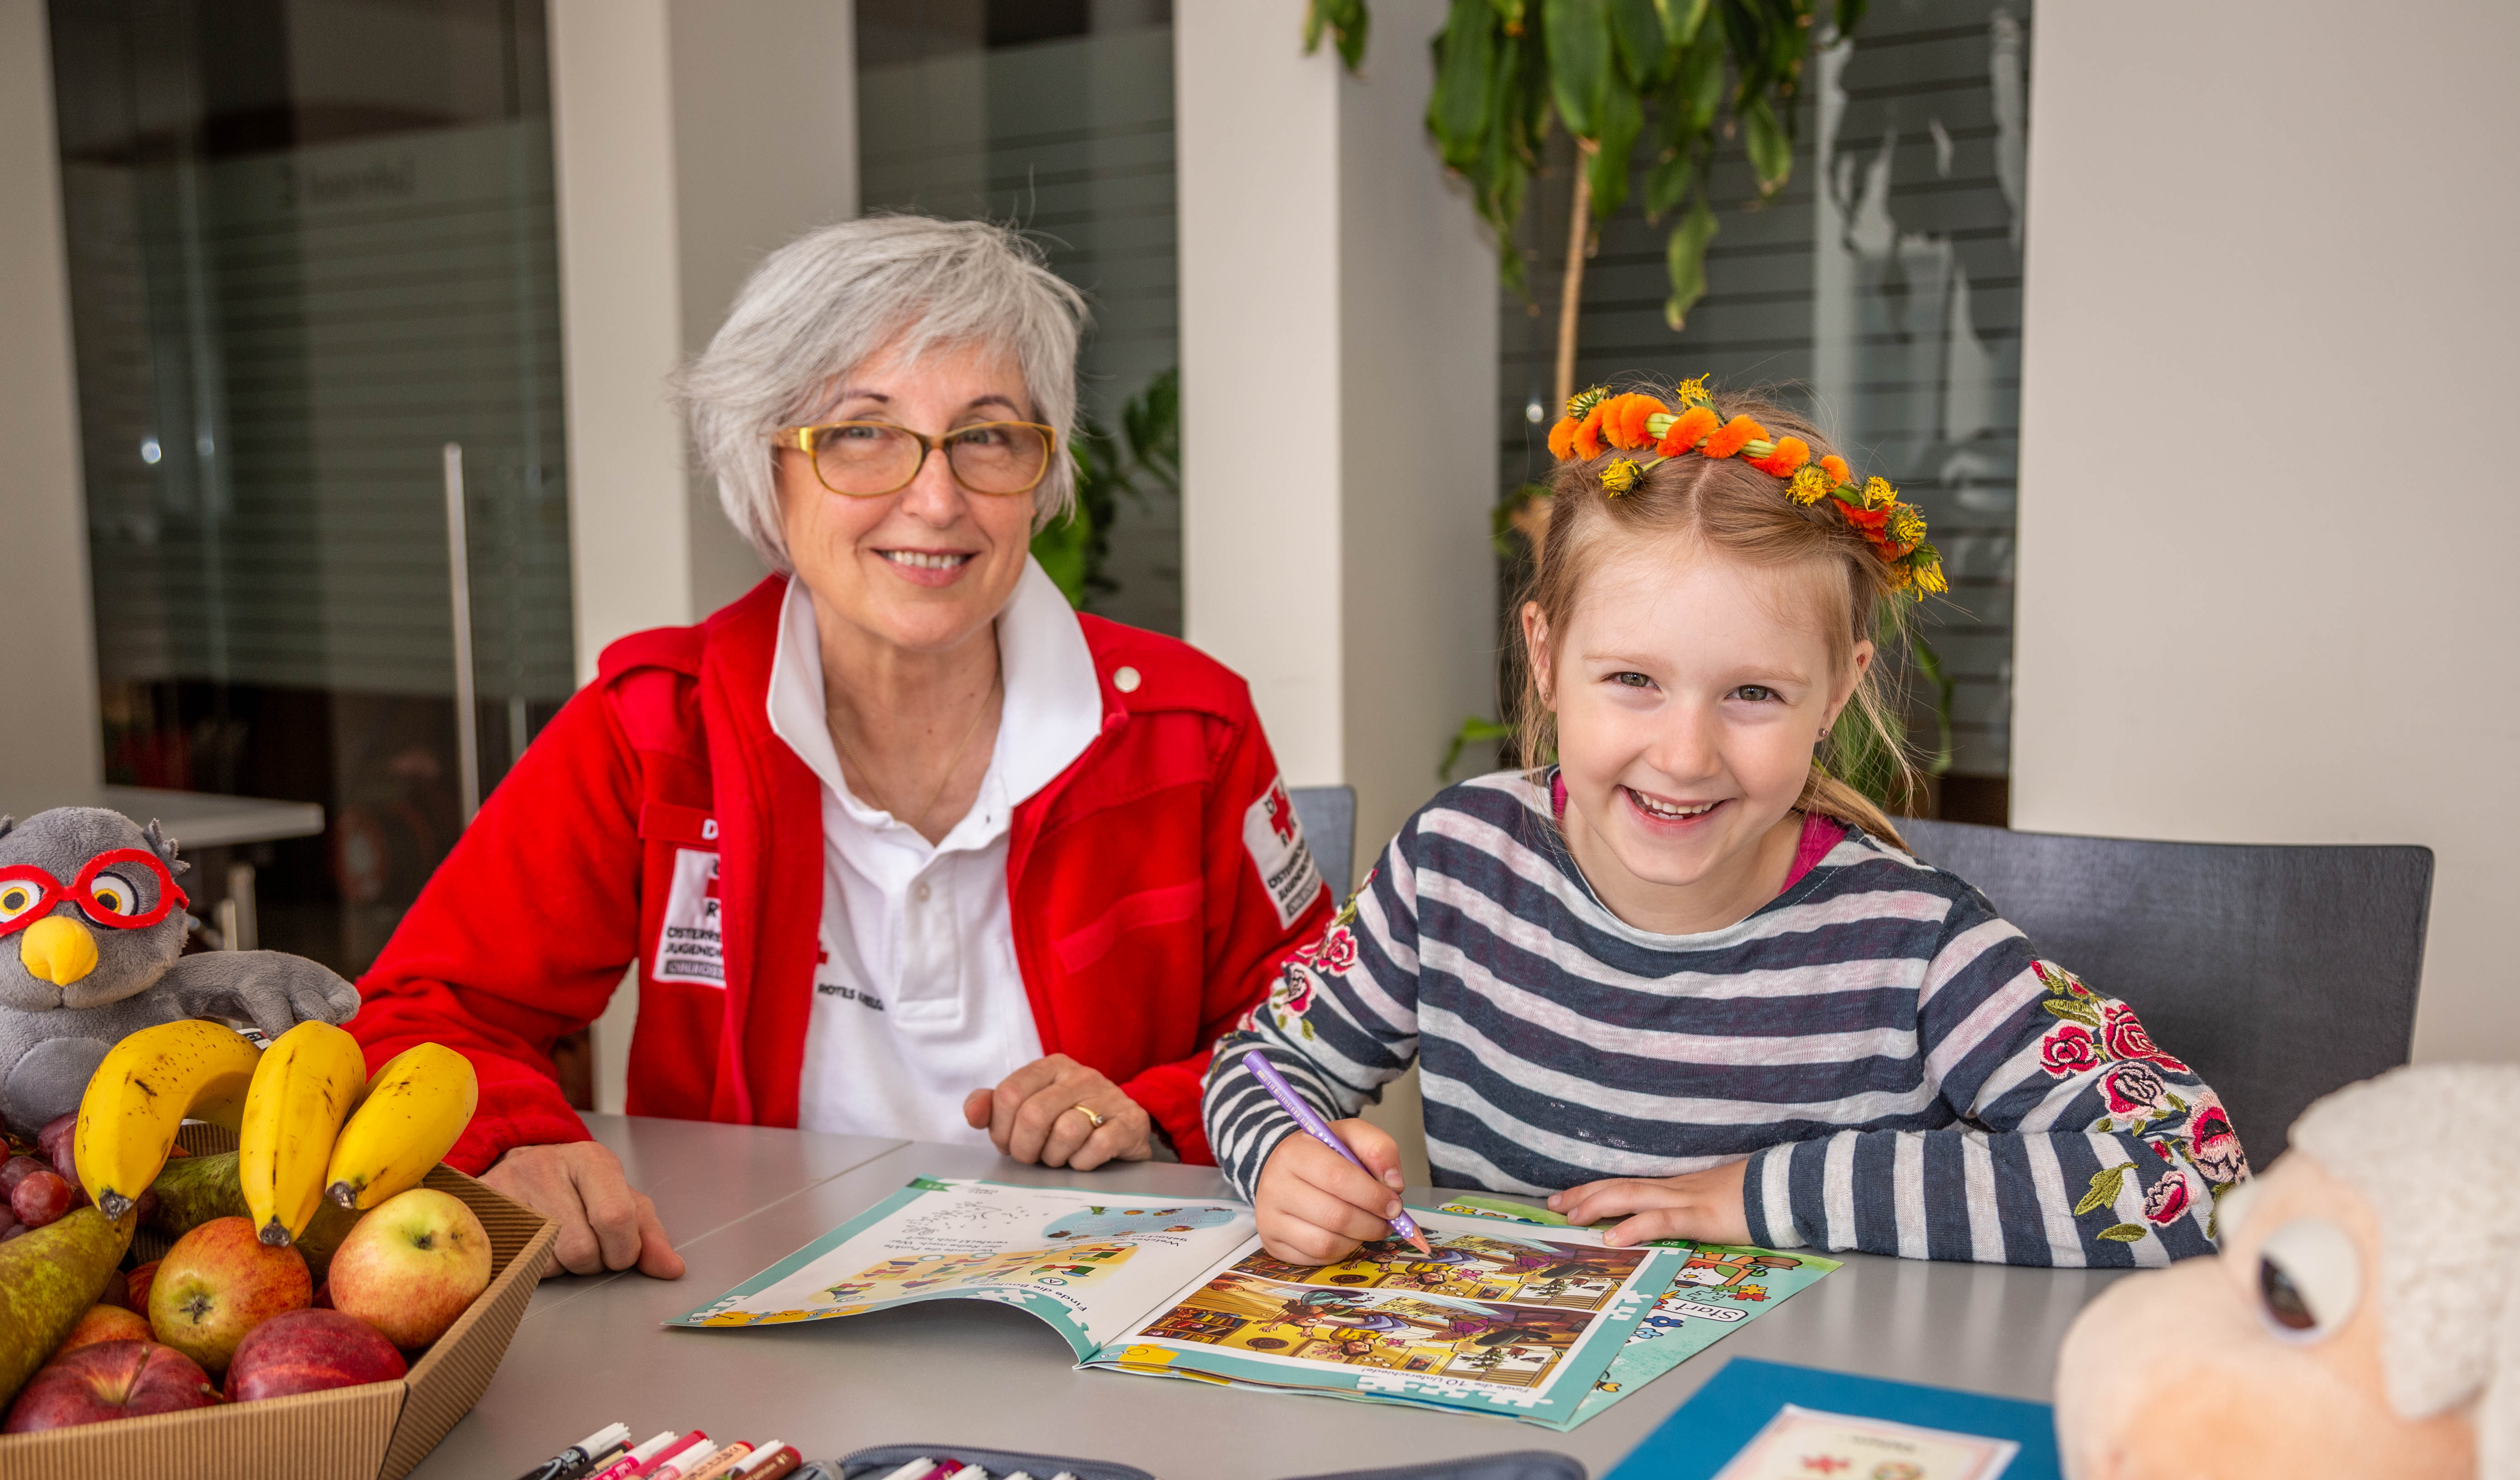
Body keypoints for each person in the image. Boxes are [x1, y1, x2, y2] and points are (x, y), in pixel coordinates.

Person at [355, 217, 1333, 1276]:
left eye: (988, 435)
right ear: (768, 468)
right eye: (861, 433)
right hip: (732, 1309)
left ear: (1039, 473)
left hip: (1105, 1309)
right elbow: (426, 1011)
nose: (936, 497)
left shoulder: (1192, 727)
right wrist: (516, 1137)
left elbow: (1320, 1018)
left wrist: (1149, 1111)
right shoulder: (654, 727)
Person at [1205, 380, 2248, 1268]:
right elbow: (1258, 1064)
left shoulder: (1916, 945)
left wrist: (1760, 1196)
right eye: (1631, 680)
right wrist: (1282, 1161)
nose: (1687, 754)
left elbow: (2193, 1168)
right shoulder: (1451, 868)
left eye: (1752, 693)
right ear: (1543, 653)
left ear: (1836, 692)